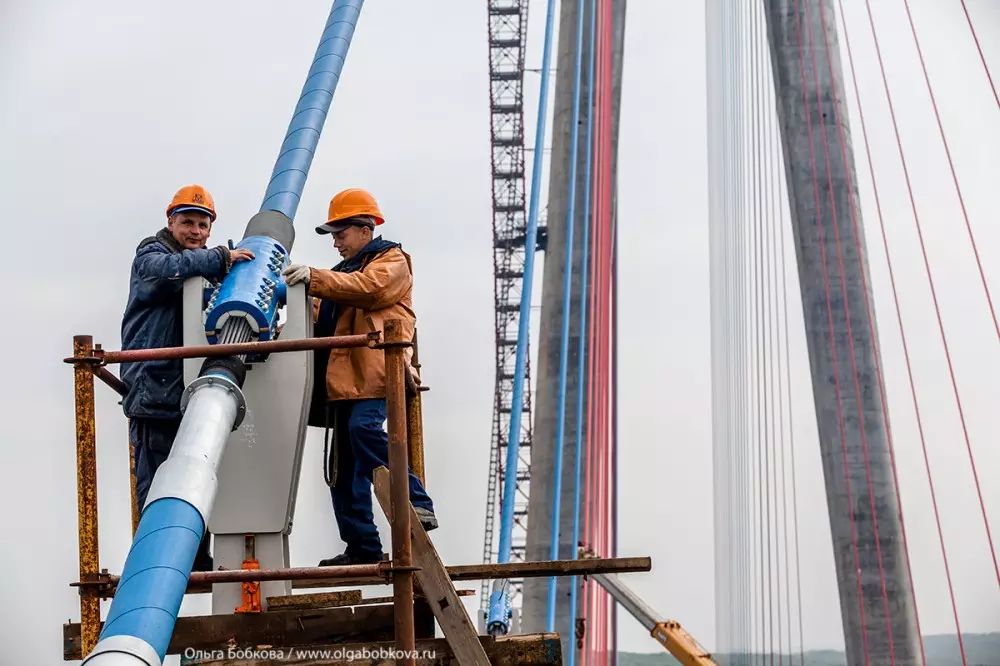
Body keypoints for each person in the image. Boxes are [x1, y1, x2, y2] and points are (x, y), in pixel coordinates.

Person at [282, 187, 438, 566]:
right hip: (341, 383)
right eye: (334, 235)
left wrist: (314, 279)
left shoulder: (390, 262)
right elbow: (318, 315)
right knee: (343, 469)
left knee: (363, 432)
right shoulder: (342, 274)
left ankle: (417, 502)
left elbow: (372, 289)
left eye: (341, 232)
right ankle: (362, 546)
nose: (336, 241)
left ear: (366, 230)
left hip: (374, 375)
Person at [120, 184, 254, 571]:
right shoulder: (153, 253)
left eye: (201, 224)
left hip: (187, 385)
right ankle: (156, 561)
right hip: (154, 386)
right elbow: (166, 272)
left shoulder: (202, 266)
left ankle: (192, 556)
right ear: (170, 222)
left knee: (197, 465)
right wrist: (220, 259)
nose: (194, 231)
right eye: (187, 223)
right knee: (158, 474)